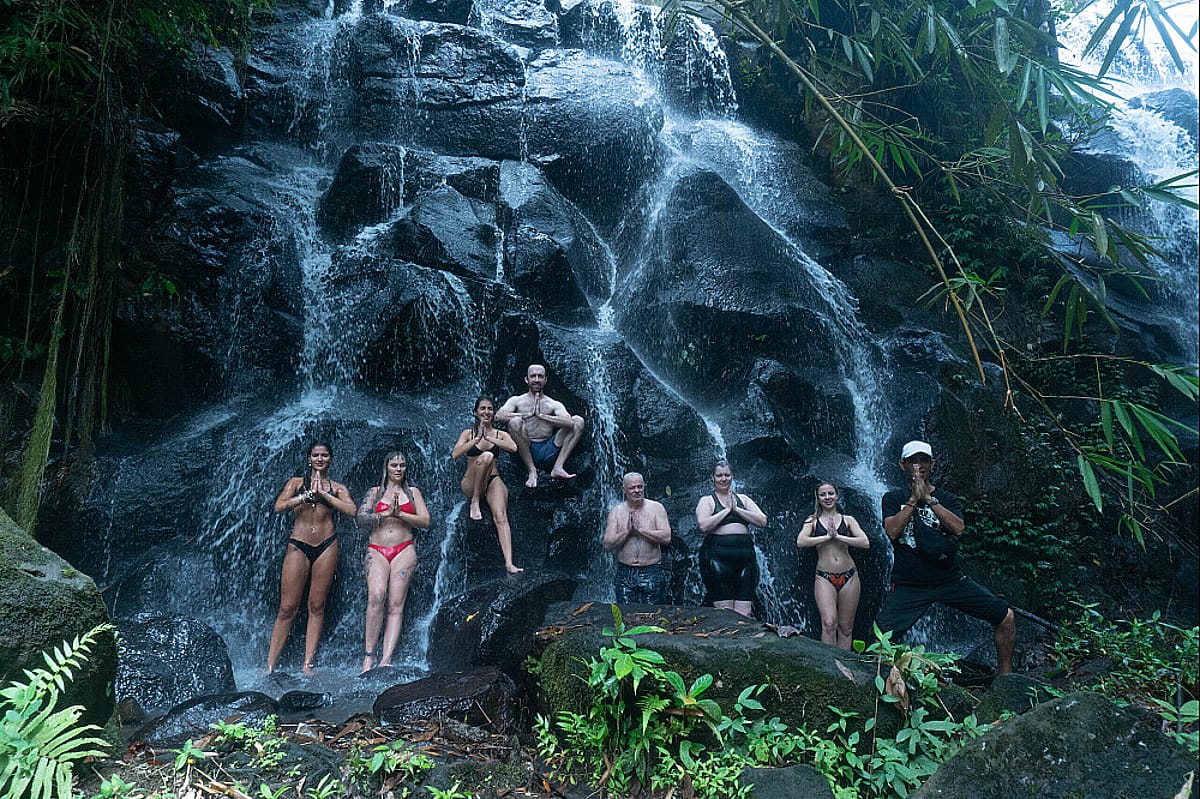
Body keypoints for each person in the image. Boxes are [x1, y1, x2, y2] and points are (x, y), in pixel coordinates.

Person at [877, 440, 1015, 674]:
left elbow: (958, 528)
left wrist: (929, 499)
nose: (918, 465)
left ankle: (1006, 679)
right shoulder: (892, 498)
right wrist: (913, 500)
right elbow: (892, 531)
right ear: (903, 465)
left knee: (1006, 617)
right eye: (913, 461)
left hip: (949, 580)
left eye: (923, 460)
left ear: (933, 464)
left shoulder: (948, 499)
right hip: (910, 585)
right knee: (878, 640)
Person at [267, 442, 356, 675]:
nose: (320, 459)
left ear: (331, 459)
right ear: (309, 458)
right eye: (315, 455)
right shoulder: (296, 483)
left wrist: (324, 495)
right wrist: (304, 497)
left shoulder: (337, 487)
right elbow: (279, 506)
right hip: (299, 544)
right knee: (287, 607)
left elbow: (352, 510)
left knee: (317, 604)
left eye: (324, 455)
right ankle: (269, 665)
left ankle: (307, 663)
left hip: (327, 545)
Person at [356, 452, 430, 673]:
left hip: (404, 550)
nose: (399, 469)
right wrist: (385, 513)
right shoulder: (375, 492)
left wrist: (401, 515)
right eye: (394, 465)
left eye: (402, 465)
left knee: (396, 604)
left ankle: (386, 659)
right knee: (377, 595)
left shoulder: (413, 492)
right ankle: (368, 656)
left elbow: (425, 521)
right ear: (386, 467)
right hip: (377, 550)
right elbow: (361, 519)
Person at [452, 396, 523, 574]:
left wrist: (490, 438)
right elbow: (455, 454)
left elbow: (513, 448)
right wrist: (476, 440)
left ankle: (509, 563)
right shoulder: (468, 433)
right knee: (486, 456)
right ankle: (475, 500)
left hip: (492, 480)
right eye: (482, 409)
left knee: (500, 515)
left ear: (494, 412)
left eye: (490, 409)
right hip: (471, 480)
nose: (486, 412)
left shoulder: (501, 434)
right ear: (475, 413)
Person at [796, 481, 871, 649]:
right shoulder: (812, 521)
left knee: (846, 627)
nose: (827, 497)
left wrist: (838, 536)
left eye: (830, 493)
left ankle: (844, 668)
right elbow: (801, 541)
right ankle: (830, 668)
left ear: (837, 496)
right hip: (824, 577)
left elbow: (864, 542)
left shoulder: (848, 520)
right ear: (818, 498)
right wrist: (826, 537)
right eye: (823, 494)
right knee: (829, 623)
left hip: (850, 576)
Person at [695, 460, 768, 617]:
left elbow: (762, 521)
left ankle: (743, 642)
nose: (723, 479)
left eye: (727, 475)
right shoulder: (707, 501)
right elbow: (703, 525)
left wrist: (737, 510)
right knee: (725, 612)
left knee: (745, 612)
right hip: (718, 557)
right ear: (712, 478)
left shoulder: (743, 499)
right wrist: (727, 510)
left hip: (745, 558)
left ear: (732, 476)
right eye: (719, 475)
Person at [495, 363, 585, 488]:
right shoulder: (516, 400)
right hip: (526, 447)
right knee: (515, 422)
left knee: (578, 421)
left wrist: (542, 416)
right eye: (533, 376)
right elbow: (499, 416)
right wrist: (527, 415)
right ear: (527, 379)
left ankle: (558, 467)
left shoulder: (553, 403)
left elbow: (569, 422)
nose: (536, 379)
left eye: (540, 376)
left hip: (549, 449)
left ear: (545, 380)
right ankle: (532, 471)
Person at [603, 472, 672, 604]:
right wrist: (626, 531)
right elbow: (607, 544)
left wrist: (641, 530)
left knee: (653, 615)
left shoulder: (656, 508)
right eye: (632, 488)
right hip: (625, 572)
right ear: (623, 489)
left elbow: (666, 537)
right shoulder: (616, 511)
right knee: (626, 616)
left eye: (639, 487)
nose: (637, 491)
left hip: (652, 570)